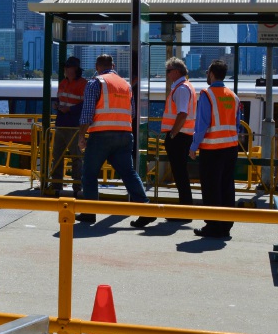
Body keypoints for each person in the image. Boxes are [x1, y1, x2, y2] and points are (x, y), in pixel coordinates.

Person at [76, 54, 154, 227]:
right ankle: (146, 209)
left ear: (97, 66)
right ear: (114, 65)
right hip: (125, 135)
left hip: (101, 136)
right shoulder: (125, 85)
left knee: (89, 173)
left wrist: (82, 136)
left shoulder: (96, 82)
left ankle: (89, 213)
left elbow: (87, 113)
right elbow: (132, 113)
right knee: (129, 173)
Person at [189, 59, 242, 239]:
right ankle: (226, 224)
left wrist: (193, 146)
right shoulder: (233, 96)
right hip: (231, 148)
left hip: (212, 149)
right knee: (227, 186)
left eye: (207, 73)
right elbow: (237, 125)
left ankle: (213, 225)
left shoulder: (207, 95)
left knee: (211, 188)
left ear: (211, 74)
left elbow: (202, 124)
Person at [160, 57, 197, 218]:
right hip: (184, 135)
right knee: (180, 172)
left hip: (179, 136)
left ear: (176, 71)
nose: (167, 75)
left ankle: (185, 209)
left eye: (168, 71)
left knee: (180, 172)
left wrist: (173, 133)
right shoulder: (186, 87)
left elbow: (182, 114)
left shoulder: (181, 89)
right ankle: (185, 207)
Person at [47, 56, 87, 196]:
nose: (67, 70)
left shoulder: (83, 84)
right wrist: (56, 105)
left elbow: (85, 105)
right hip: (61, 124)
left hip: (74, 125)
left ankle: (78, 186)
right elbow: (59, 98)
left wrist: (69, 109)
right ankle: (56, 184)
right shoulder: (63, 83)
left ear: (75, 69)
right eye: (66, 67)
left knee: (76, 156)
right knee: (57, 155)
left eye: (69, 67)